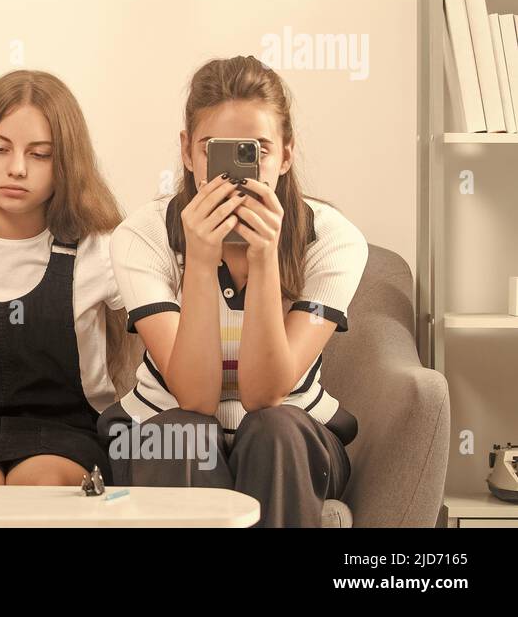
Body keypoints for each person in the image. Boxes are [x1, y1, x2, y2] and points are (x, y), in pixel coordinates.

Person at [99, 55, 368, 527]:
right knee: (182, 435)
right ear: (187, 152)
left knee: (275, 429)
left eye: (257, 149)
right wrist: (201, 262)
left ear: (286, 153)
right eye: (214, 149)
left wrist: (265, 262)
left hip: (291, 434)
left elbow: (266, 395)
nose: (240, 169)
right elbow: (195, 398)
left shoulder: (332, 238)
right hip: (163, 427)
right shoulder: (142, 236)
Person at [0, 70, 130, 486]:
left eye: (40, 154)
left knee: (40, 485)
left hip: (67, 436)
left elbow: (165, 340)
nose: (16, 169)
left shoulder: (98, 247)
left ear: (66, 162)